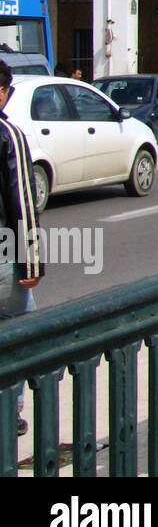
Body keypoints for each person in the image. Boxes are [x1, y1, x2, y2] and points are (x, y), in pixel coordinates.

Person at [0, 60, 42, 435]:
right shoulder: (7, 135)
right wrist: (30, 264)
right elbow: (22, 202)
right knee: (18, 329)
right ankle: (9, 411)